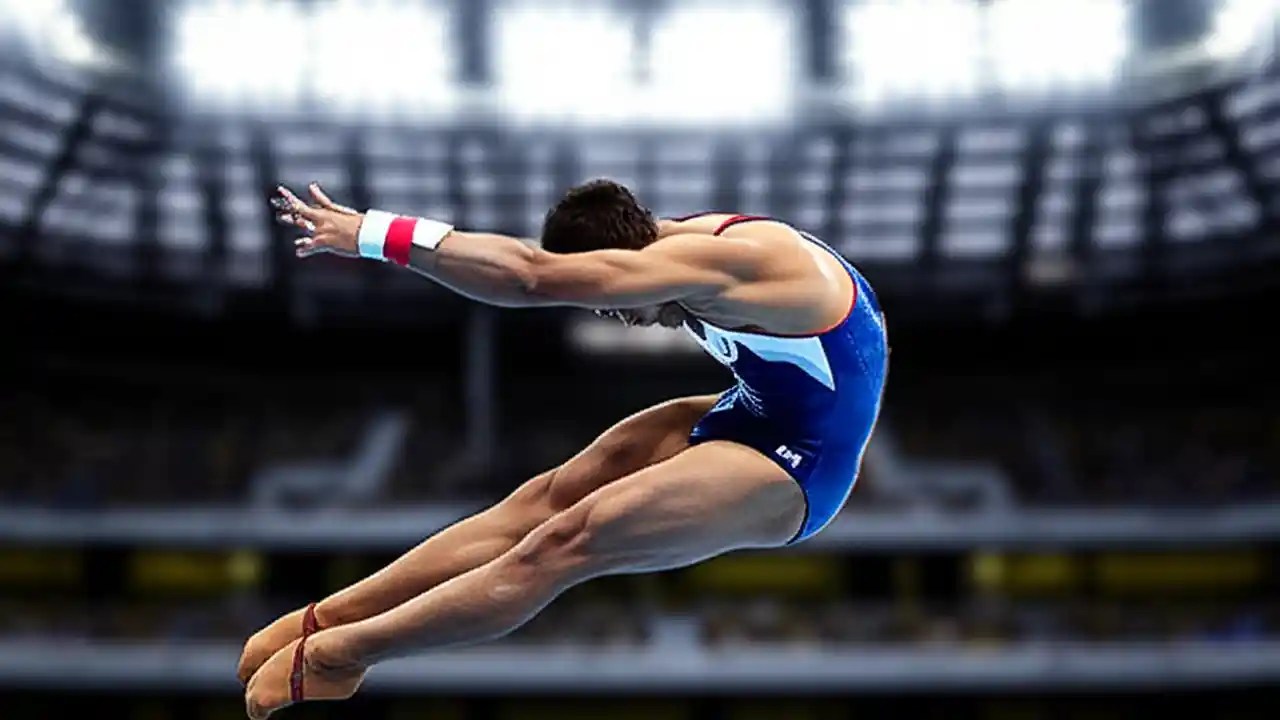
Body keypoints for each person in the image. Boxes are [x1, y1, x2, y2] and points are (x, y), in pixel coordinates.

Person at [238, 180, 889, 718]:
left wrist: (377, 234)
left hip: (801, 464)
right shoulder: (671, 241)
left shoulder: (735, 264)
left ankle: (339, 657)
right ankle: (323, 618)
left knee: (565, 541)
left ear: (630, 261)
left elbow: (528, 275)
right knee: (540, 501)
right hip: (757, 412)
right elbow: (533, 260)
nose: (623, 316)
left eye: (617, 302)